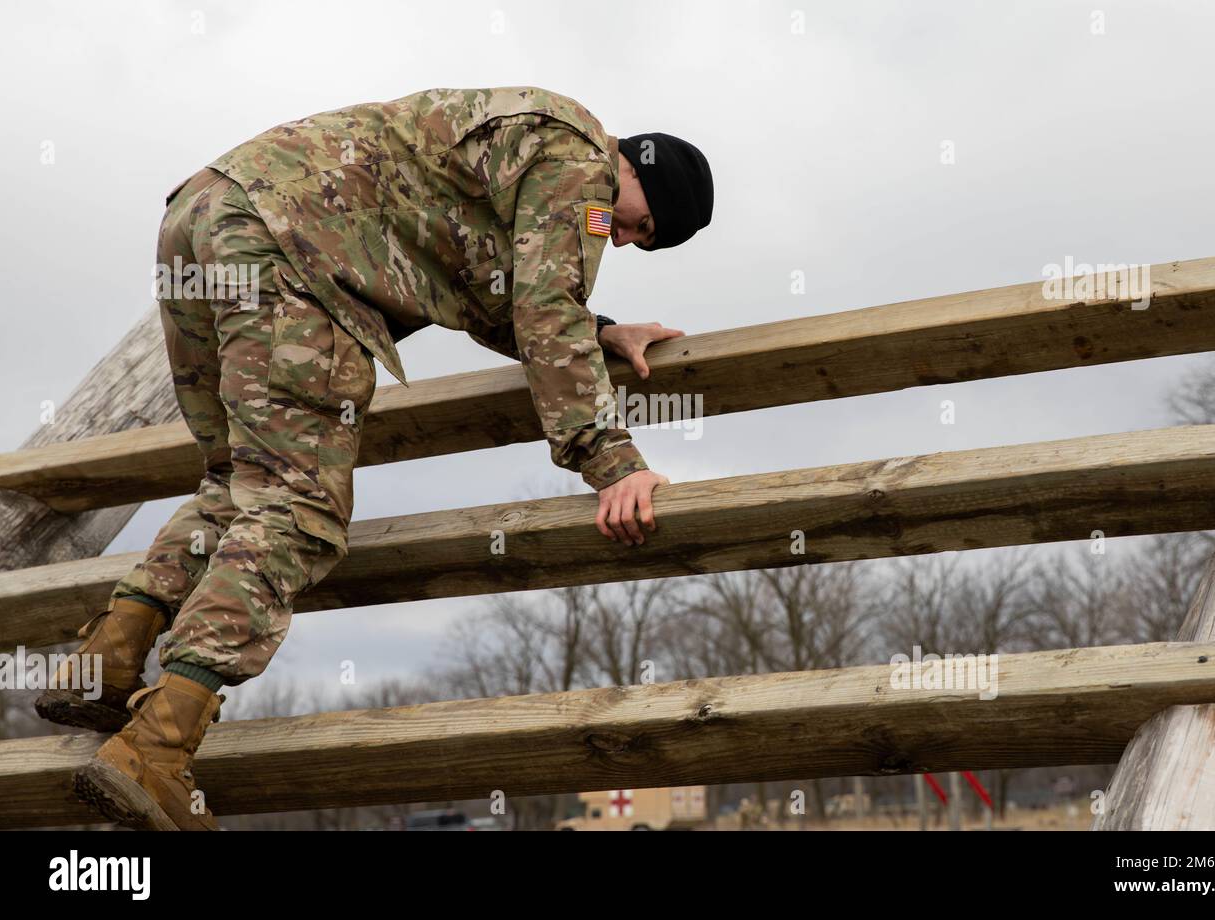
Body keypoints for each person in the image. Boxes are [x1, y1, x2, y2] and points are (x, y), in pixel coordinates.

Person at [35, 86, 713, 830]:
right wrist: (614, 462)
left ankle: (103, 664)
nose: (618, 239)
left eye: (637, 243)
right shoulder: (582, 166)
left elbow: (506, 299)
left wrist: (603, 328)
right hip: (292, 251)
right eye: (639, 224)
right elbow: (547, 309)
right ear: (638, 169)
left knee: (241, 481)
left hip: (205, 212)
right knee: (298, 509)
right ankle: (155, 748)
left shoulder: (528, 138)